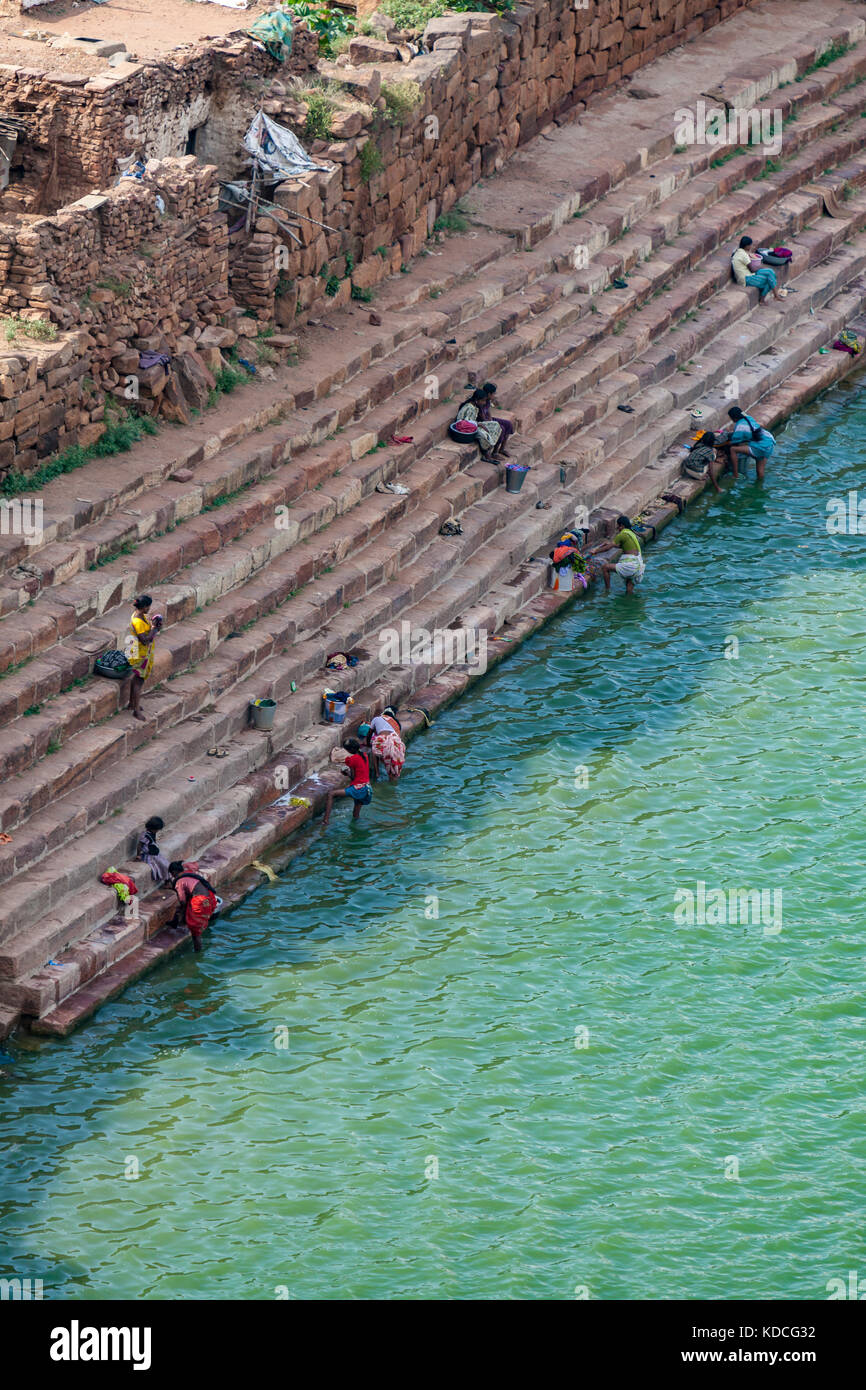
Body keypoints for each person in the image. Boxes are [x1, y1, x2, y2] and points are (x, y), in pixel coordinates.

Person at [124, 595, 161, 721]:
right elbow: (145, 640)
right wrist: (155, 630)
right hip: (140, 653)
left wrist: (152, 625)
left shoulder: (138, 615)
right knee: (139, 680)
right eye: (148, 606)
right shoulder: (137, 621)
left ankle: (131, 703)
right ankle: (136, 710)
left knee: (136, 678)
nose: (149, 608)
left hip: (137, 650)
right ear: (144, 607)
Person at [168, 860, 219, 951]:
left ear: (174, 873)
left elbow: (182, 901)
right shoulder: (188, 872)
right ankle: (176, 922)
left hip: (200, 901)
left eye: (171, 874)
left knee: (195, 932)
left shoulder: (179, 882)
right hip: (210, 897)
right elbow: (194, 866)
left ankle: (198, 953)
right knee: (190, 909)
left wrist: (182, 911)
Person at [717, 406, 776, 482]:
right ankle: (759, 486)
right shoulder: (748, 417)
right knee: (760, 471)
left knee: (733, 449)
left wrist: (722, 445)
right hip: (769, 441)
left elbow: (733, 442)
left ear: (734, 418)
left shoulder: (739, 426)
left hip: (761, 445)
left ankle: (735, 475)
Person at [322, 738, 372, 826]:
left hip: (358, 788)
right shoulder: (364, 755)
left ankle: (325, 820)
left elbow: (353, 777)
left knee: (331, 794)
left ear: (350, 750)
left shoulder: (351, 759)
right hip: (367, 788)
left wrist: (346, 773)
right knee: (355, 816)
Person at [731, 235, 787, 304]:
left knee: (770, 272)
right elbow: (752, 269)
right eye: (750, 245)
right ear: (746, 246)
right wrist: (761, 266)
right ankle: (771, 297)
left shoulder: (738, 251)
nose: (751, 246)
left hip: (746, 274)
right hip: (745, 278)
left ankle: (773, 297)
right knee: (769, 279)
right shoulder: (743, 255)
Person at [452, 388, 504, 461]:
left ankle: (490, 449)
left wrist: (479, 424)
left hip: (473, 425)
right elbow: (465, 423)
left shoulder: (475, 406)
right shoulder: (468, 407)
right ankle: (486, 453)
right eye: (483, 400)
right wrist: (479, 425)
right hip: (466, 429)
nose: (484, 403)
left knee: (495, 425)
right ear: (477, 400)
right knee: (483, 435)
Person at [601, 515, 645, 595]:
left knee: (605, 567)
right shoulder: (631, 533)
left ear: (622, 525)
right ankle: (629, 600)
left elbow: (608, 548)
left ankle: (607, 591)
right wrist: (611, 544)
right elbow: (624, 546)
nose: (618, 528)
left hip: (631, 566)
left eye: (618, 526)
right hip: (638, 567)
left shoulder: (623, 534)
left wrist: (595, 551)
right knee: (629, 583)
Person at [366, 706, 406, 781]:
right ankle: (394, 778)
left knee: (374, 751)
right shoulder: (393, 721)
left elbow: (369, 734)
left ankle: (377, 773)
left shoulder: (375, 719)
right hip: (395, 740)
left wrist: (368, 744)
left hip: (383, 739)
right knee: (393, 765)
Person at [479, 383, 514, 458]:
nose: (494, 395)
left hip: (488, 419)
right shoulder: (482, 400)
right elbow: (482, 417)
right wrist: (491, 422)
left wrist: (491, 419)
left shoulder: (488, 400)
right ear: (489, 394)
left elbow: (488, 411)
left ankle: (502, 449)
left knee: (508, 424)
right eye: (493, 394)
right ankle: (494, 453)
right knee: (501, 428)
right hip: (482, 422)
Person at [137, 816, 170, 885]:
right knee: (161, 865)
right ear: (152, 828)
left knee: (166, 864)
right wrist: (138, 855)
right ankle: (166, 881)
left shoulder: (152, 833)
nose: (157, 831)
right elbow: (139, 845)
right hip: (149, 856)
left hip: (155, 853)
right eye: (157, 829)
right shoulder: (145, 836)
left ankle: (168, 879)